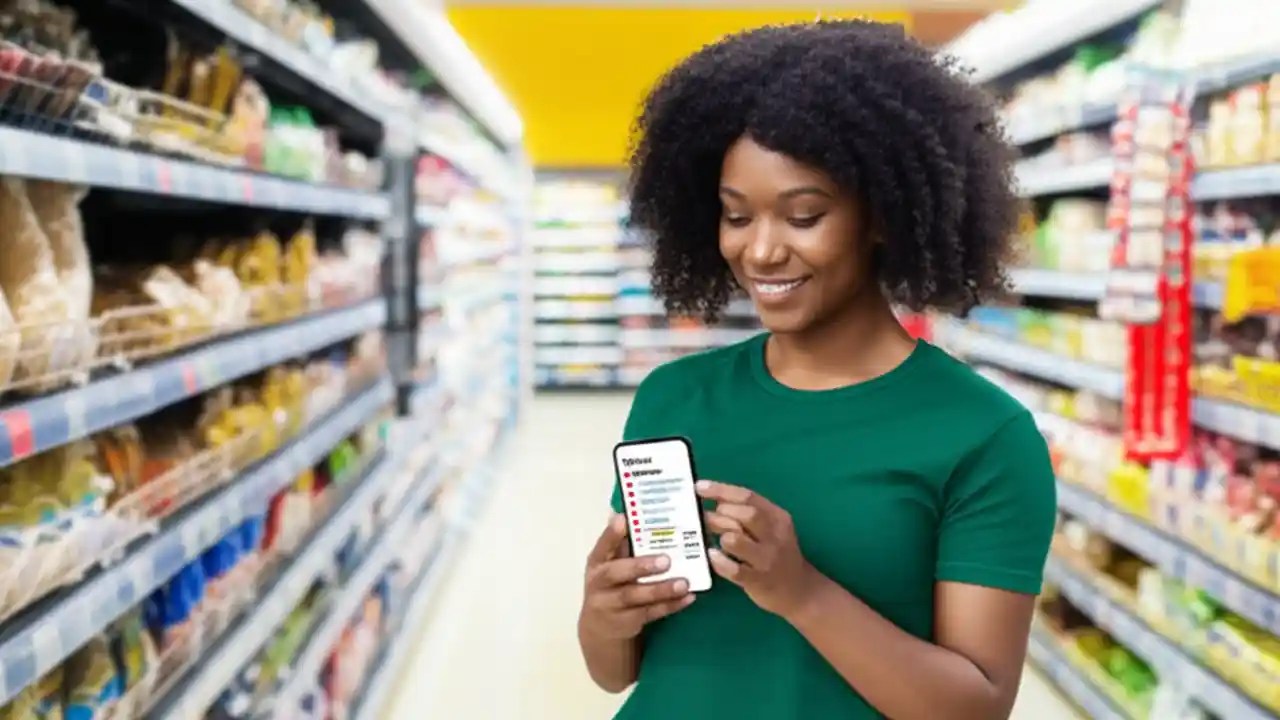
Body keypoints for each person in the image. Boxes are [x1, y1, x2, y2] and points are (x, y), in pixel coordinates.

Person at [576, 19, 1057, 720]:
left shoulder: (983, 436)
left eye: (804, 216)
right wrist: (604, 615)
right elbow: (615, 672)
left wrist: (803, 594)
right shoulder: (675, 395)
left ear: (884, 217)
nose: (762, 251)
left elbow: (976, 708)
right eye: (736, 216)